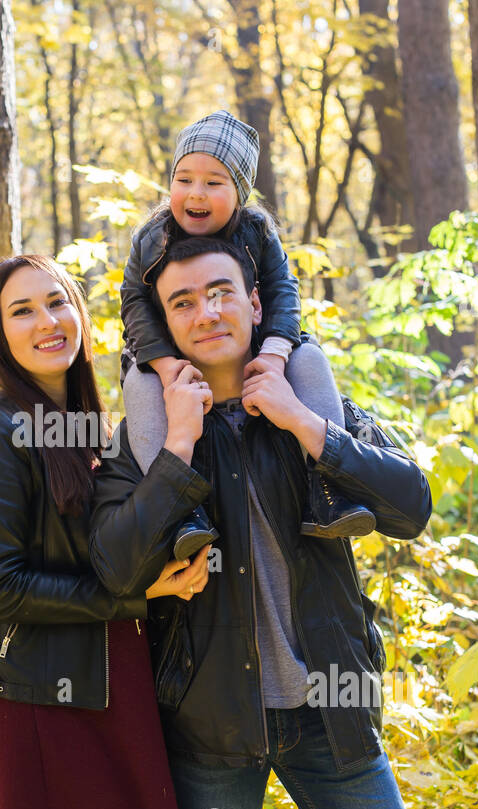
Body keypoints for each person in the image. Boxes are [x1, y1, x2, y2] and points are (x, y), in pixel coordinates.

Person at [90, 236, 434, 809]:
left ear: (254, 303)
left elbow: (411, 506)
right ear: (165, 326)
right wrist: (180, 449)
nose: (207, 313)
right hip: (210, 727)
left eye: (221, 293)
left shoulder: (314, 404)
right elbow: (115, 568)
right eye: (184, 302)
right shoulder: (145, 440)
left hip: (334, 713)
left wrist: (305, 425)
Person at [0, 253, 213, 809]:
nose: (48, 320)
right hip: (40, 694)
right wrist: (139, 599)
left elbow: (104, 548)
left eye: (58, 302)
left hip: (105, 677)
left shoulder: (87, 424)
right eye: (23, 310)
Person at [120, 108, 375, 560]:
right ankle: (181, 511)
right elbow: (134, 302)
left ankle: (330, 490)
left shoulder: (257, 231)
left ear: (239, 194)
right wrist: (161, 364)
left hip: (258, 348)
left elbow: (283, 290)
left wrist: (276, 354)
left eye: (214, 182)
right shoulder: (152, 237)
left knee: (309, 359)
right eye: (184, 179)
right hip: (168, 355)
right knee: (138, 387)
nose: (196, 193)